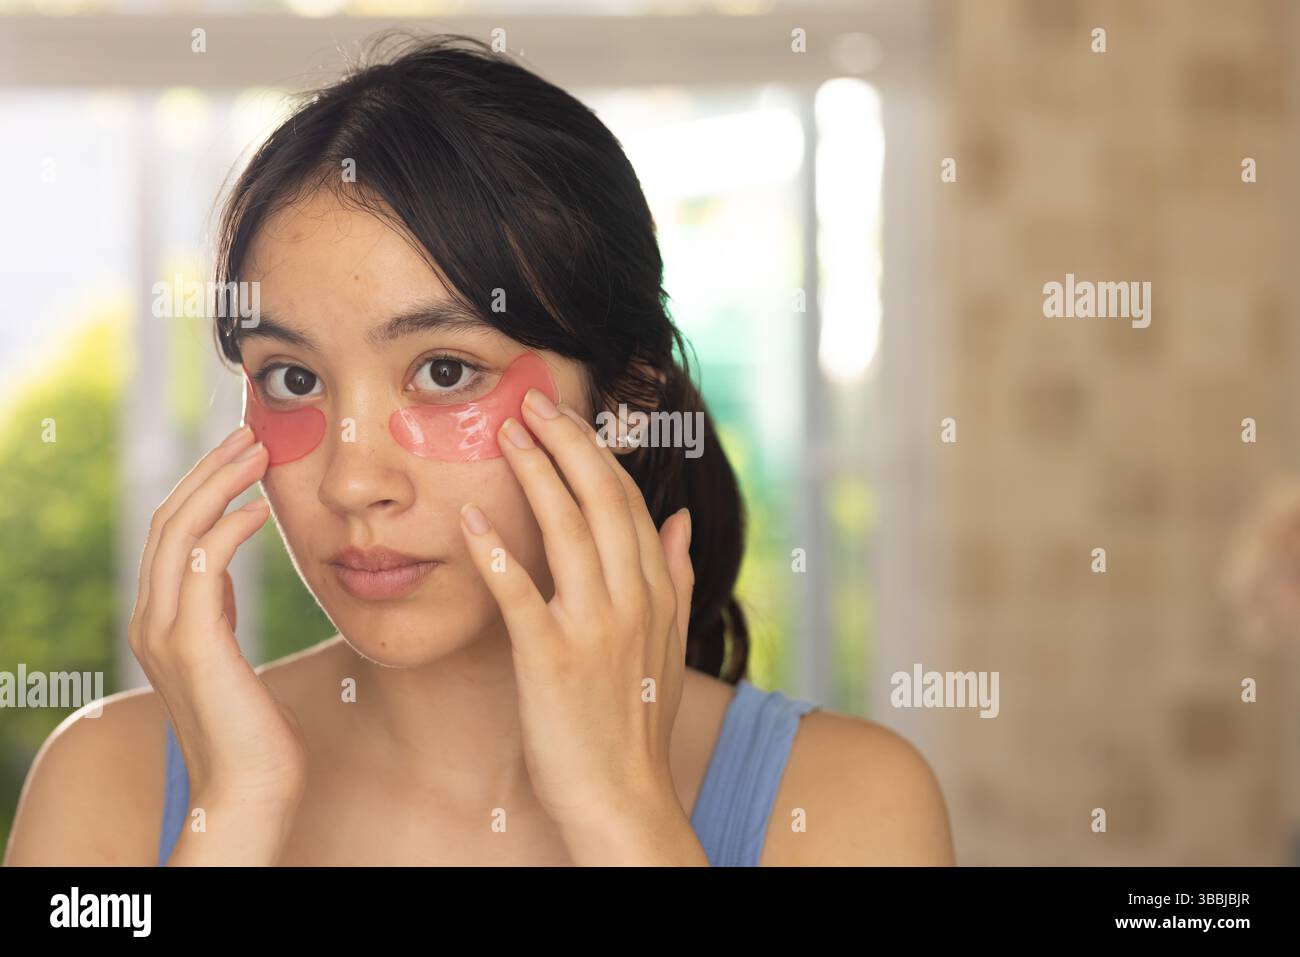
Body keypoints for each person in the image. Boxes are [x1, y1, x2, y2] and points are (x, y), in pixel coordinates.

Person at [4, 34, 953, 866]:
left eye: (446, 371)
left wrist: (622, 813)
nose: (352, 478)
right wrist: (234, 814)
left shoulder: (846, 800)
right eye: (293, 379)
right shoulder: (109, 777)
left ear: (623, 400)